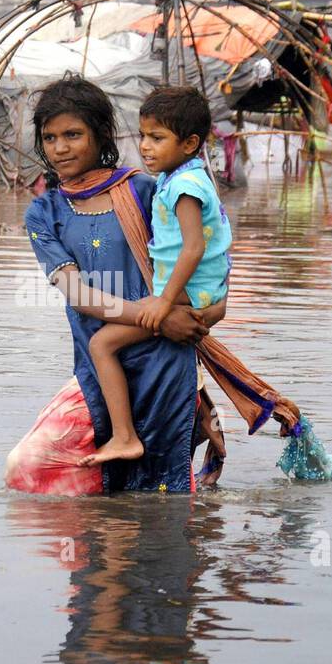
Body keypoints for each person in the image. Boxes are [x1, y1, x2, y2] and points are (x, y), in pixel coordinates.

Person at [5, 76, 297, 495]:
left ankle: (156, 555)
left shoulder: (145, 189)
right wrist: (162, 318)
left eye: (73, 134)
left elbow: (210, 246)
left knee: (161, 494)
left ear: (101, 134)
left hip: (165, 363)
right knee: (27, 467)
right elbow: (78, 295)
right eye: (50, 137)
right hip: (99, 363)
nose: (60, 148)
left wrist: (211, 309)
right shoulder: (45, 211)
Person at [80, 86, 231, 466]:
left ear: (190, 142)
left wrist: (165, 302)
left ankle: (124, 436)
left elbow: (194, 247)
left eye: (157, 138)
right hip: (194, 295)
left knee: (101, 344)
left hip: (185, 297)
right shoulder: (180, 177)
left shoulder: (184, 186)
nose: (145, 146)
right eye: (144, 135)